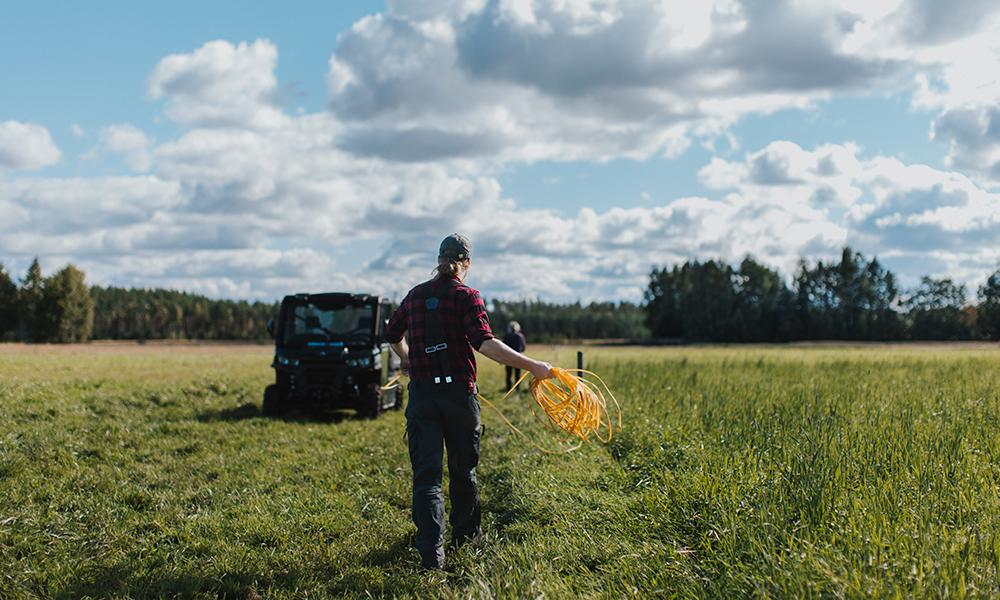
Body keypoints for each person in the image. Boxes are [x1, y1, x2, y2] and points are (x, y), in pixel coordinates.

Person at [385, 233, 553, 570]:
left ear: (439, 260)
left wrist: (407, 358)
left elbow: (392, 333)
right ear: (467, 263)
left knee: (427, 478)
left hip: (423, 397)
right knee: (463, 472)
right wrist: (533, 365)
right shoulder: (467, 296)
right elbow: (484, 343)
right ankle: (465, 539)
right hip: (459, 398)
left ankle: (431, 554)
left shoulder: (415, 295)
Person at [502, 321, 527, 391]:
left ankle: (508, 388)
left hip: (508, 358)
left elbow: (503, 347)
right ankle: (517, 388)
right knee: (517, 374)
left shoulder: (506, 336)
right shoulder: (520, 336)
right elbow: (523, 347)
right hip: (518, 357)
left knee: (508, 374)